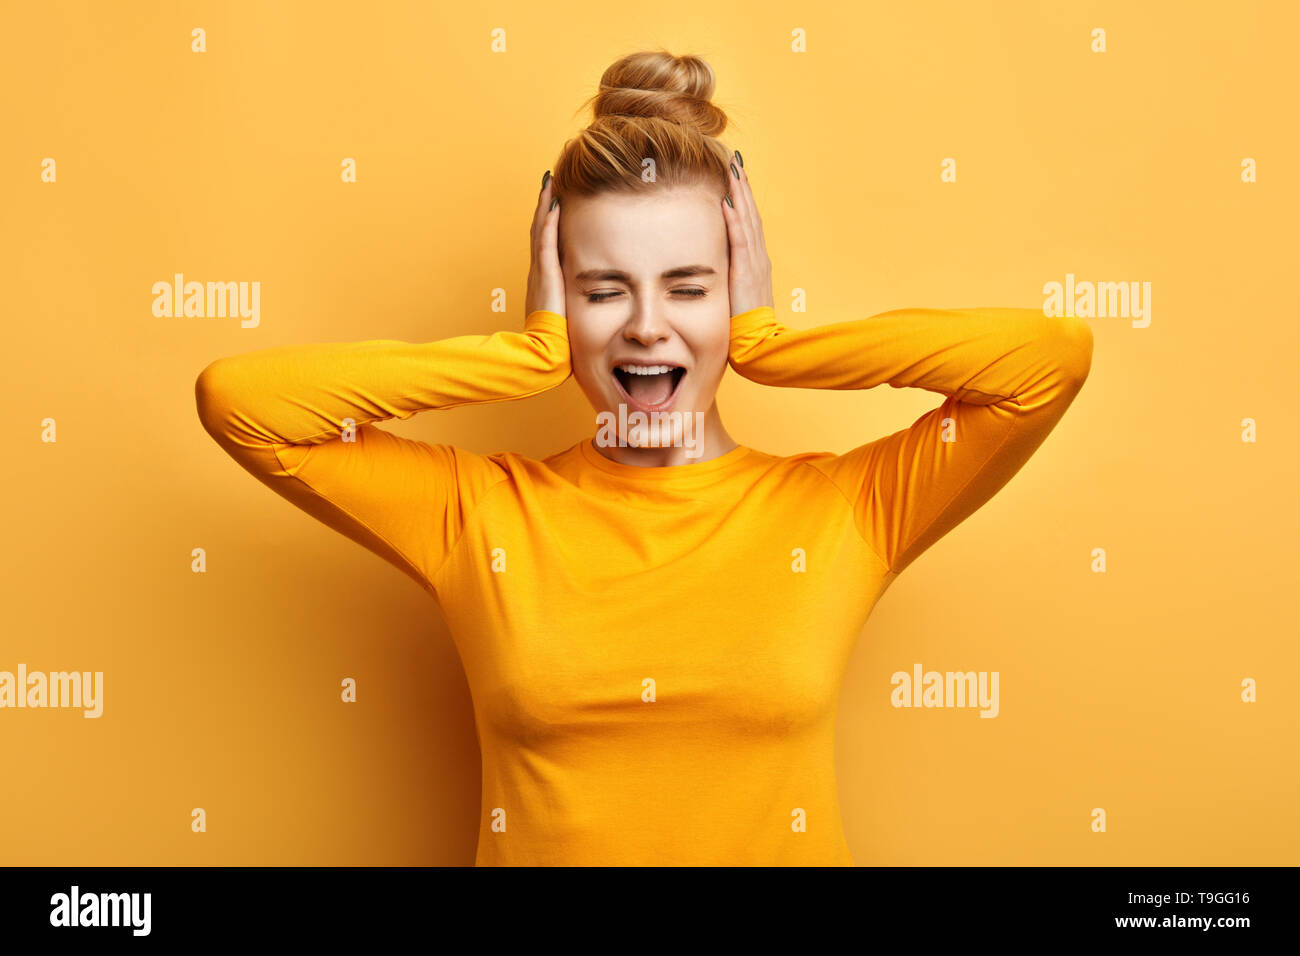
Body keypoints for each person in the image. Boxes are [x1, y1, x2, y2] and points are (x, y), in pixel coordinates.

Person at [194, 49, 1093, 866]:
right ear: (561, 302)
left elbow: (1045, 364)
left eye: (689, 287)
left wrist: (774, 342)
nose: (647, 325)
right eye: (603, 289)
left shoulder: (844, 512)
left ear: (732, 298)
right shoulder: (479, 518)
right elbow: (244, 405)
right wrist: (528, 353)